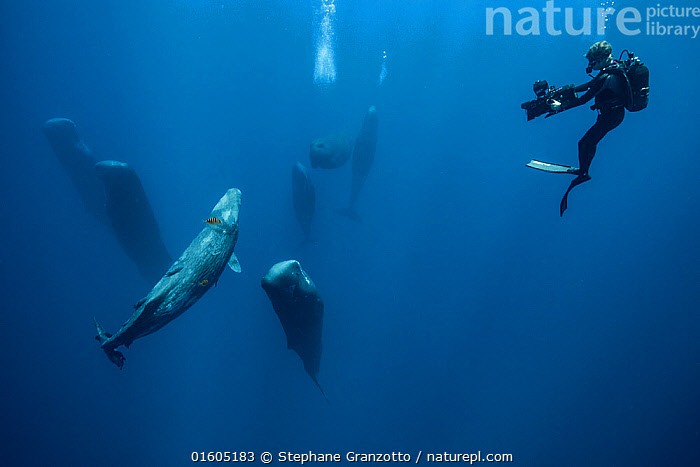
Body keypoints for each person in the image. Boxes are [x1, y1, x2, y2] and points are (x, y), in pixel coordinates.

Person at [549, 41, 629, 215]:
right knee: (587, 142)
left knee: (585, 142)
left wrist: (559, 107)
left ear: (601, 59)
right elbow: (590, 86)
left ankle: (584, 173)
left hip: (611, 117)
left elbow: (584, 99)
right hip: (614, 114)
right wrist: (564, 91)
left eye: (592, 62)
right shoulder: (613, 68)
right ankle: (583, 171)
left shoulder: (606, 77)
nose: (590, 66)